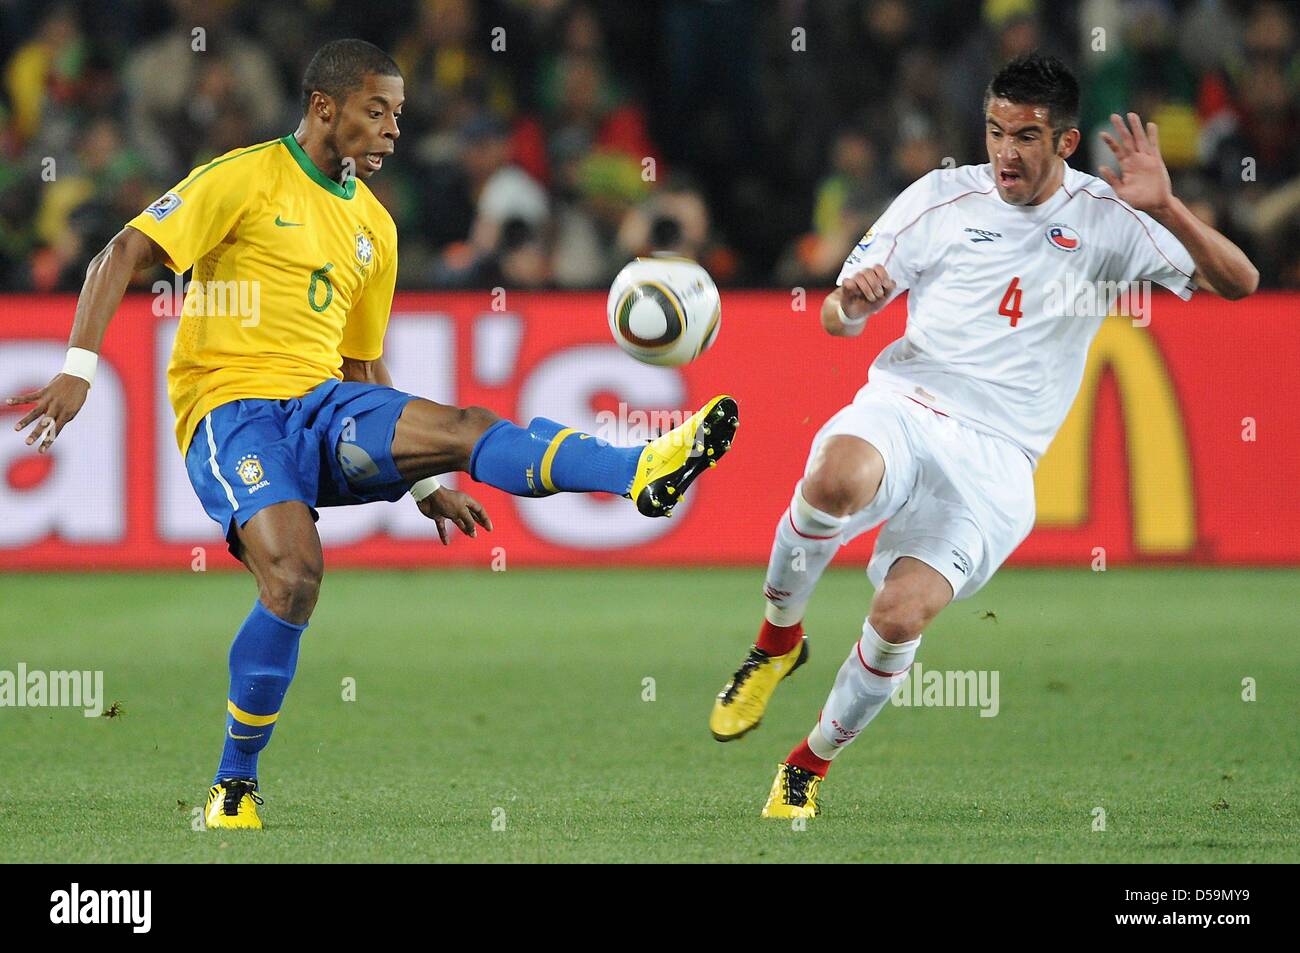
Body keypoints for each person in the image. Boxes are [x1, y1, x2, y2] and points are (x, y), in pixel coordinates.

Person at [8, 39, 738, 830]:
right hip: (232, 412)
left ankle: (641, 468)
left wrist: (425, 482)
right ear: (325, 107)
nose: (393, 129)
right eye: (376, 111)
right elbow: (121, 251)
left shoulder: (375, 228)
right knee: (293, 577)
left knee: (466, 426)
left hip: (327, 405)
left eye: (398, 114)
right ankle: (233, 786)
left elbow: (362, 362)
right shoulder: (242, 176)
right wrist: (80, 366)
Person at [706, 53, 1257, 818]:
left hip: (999, 459)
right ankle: (775, 642)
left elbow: (1240, 283)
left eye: (1026, 136)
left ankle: (809, 762)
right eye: (996, 130)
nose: (1005, 151)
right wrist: (853, 306)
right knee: (835, 476)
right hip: (907, 400)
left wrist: (1168, 210)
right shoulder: (940, 196)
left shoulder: (1110, 217)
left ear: (1065, 142)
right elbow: (836, 314)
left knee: (900, 616)